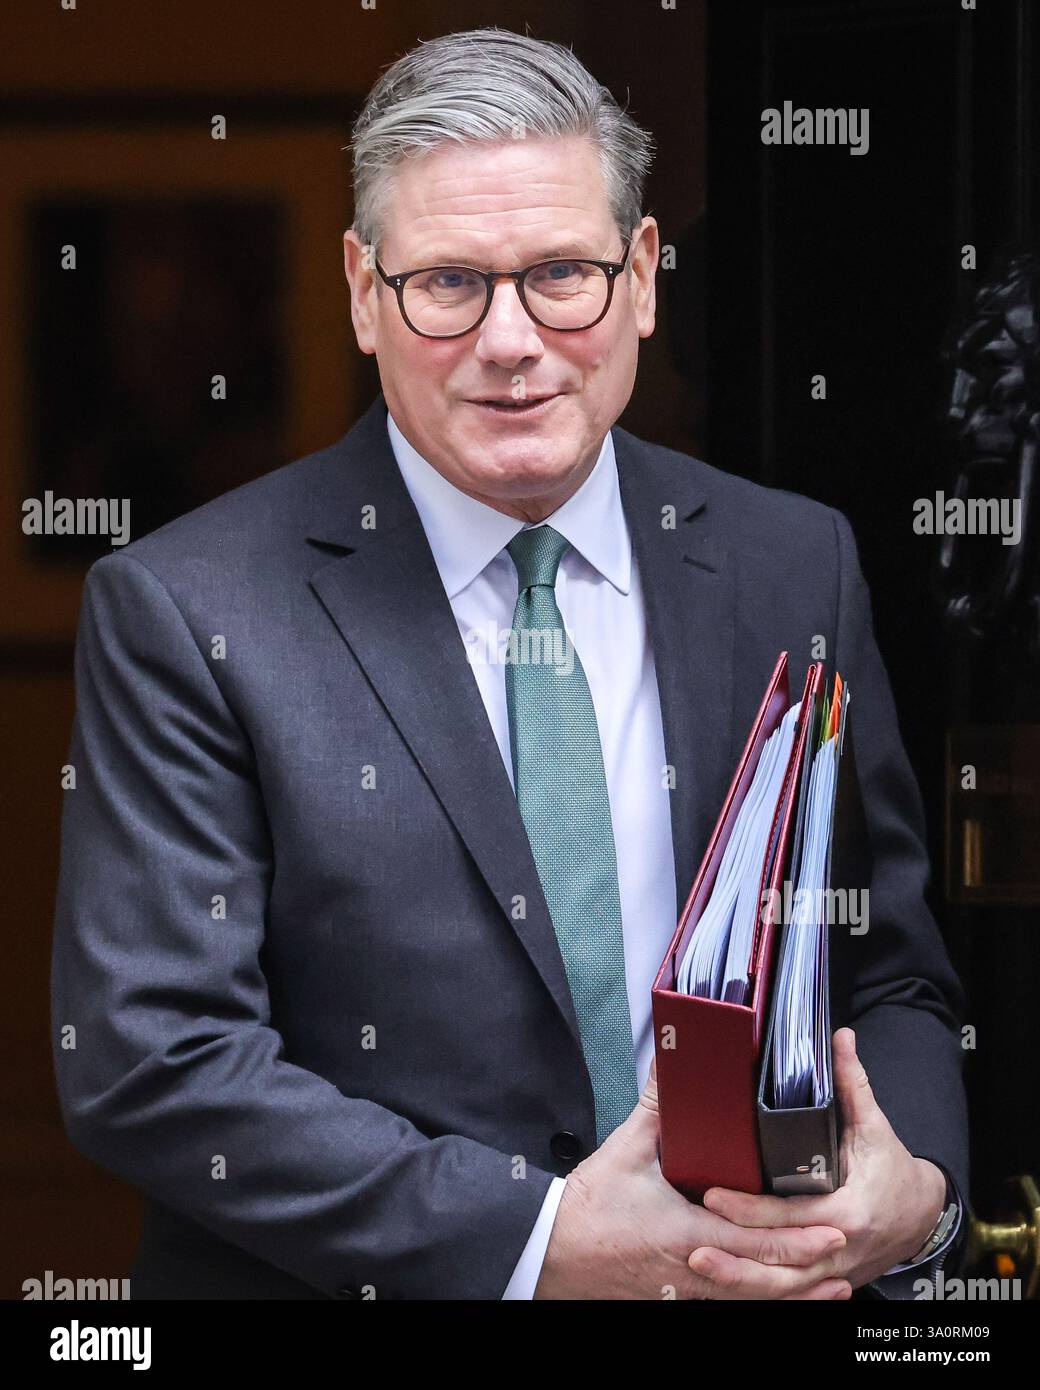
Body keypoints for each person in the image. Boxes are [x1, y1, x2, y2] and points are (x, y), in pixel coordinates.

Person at [51, 27, 969, 1300]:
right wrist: (538, 1245)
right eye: (448, 285)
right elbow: (152, 1058)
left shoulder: (788, 564)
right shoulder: (187, 608)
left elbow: (882, 964)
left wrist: (911, 1186)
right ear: (364, 291)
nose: (511, 339)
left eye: (559, 274)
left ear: (641, 276)